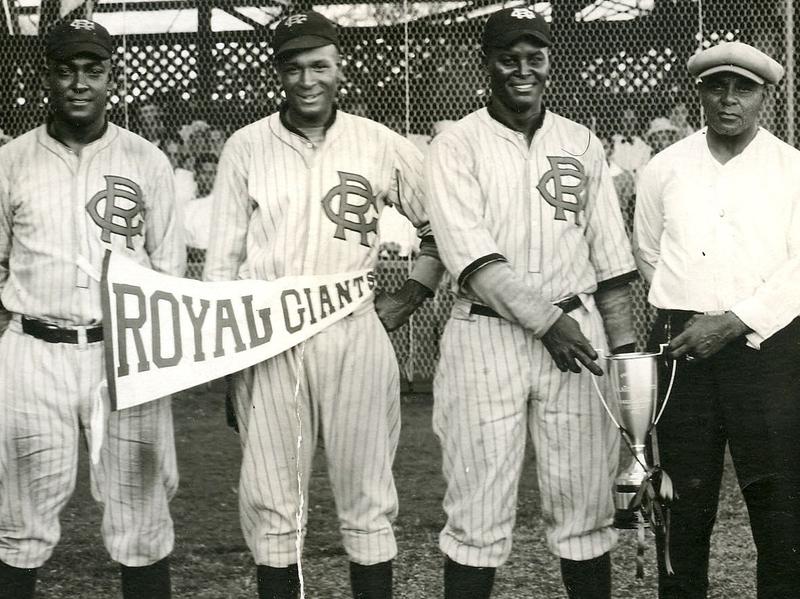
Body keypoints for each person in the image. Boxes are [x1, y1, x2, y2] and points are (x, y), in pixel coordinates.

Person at [203, 10, 444, 599]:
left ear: (340, 68)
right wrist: (228, 360)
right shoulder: (246, 146)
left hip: (352, 325)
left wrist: (408, 297)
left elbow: (442, 229)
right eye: (293, 67)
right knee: (271, 499)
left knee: (367, 497)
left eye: (320, 65)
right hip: (267, 333)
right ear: (277, 73)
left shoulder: (378, 140)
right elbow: (221, 263)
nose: (307, 79)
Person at [424, 8, 638, 598]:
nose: (523, 69)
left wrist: (626, 364)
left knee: (584, 510)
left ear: (549, 61)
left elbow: (613, 265)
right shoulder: (455, 144)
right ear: (486, 63)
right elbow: (471, 257)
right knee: (477, 510)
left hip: (577, 331)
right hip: (486, 334)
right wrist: (548, 321)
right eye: (508, 57)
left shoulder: (581, 142)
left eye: (534, 57)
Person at [0, 19, 183, 599]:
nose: (79, 82)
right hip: (34, 350)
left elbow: (170, 272)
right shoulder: (11, 162)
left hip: (123, 352)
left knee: (142, 519)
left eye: (93, 70)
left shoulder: (146, 160)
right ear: (46, 76)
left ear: (112, 78)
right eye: (66, 68)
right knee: (18, 520)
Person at [633, 41, 800, 598]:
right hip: (684, 352)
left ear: (765, 97)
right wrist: (692, 309)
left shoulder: (791, 168)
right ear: (699, 91)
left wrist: (734, 319)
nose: (729, 100)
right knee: (683, 508)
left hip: (767, 350)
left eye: (744, 89)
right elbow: (649, 254)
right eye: (716, 86)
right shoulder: (665, 167)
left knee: (780, 512)